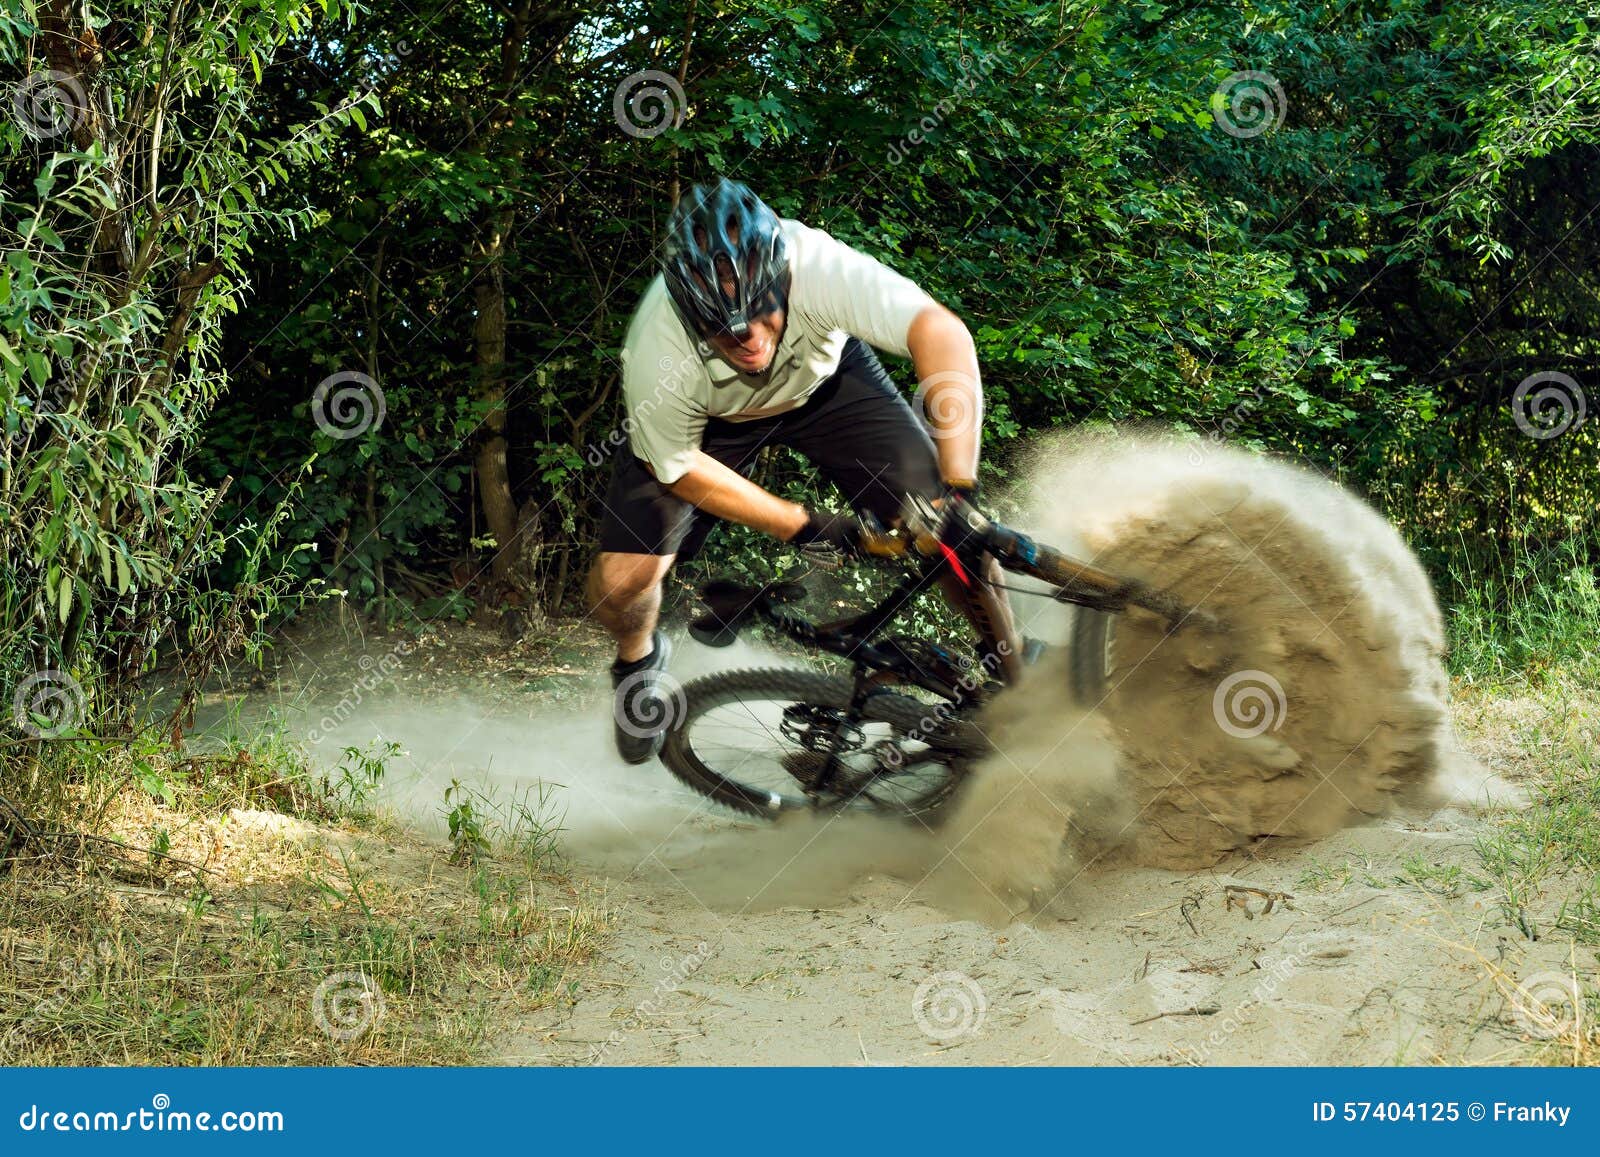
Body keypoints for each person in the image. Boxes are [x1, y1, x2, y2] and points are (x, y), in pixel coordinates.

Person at [588, 177, 1019, 763]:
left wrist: (958, 483)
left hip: (828, 388)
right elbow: (680, 469)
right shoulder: (658, 339)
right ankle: (637, 657)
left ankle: (1011, 672)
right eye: (720, 327)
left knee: (953, 531)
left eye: (758, 314)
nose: (746, 340)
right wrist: (805, 524)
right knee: (621, 584)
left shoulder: (817, 264)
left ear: (780, 277)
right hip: (708, 425)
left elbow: (938, 333)